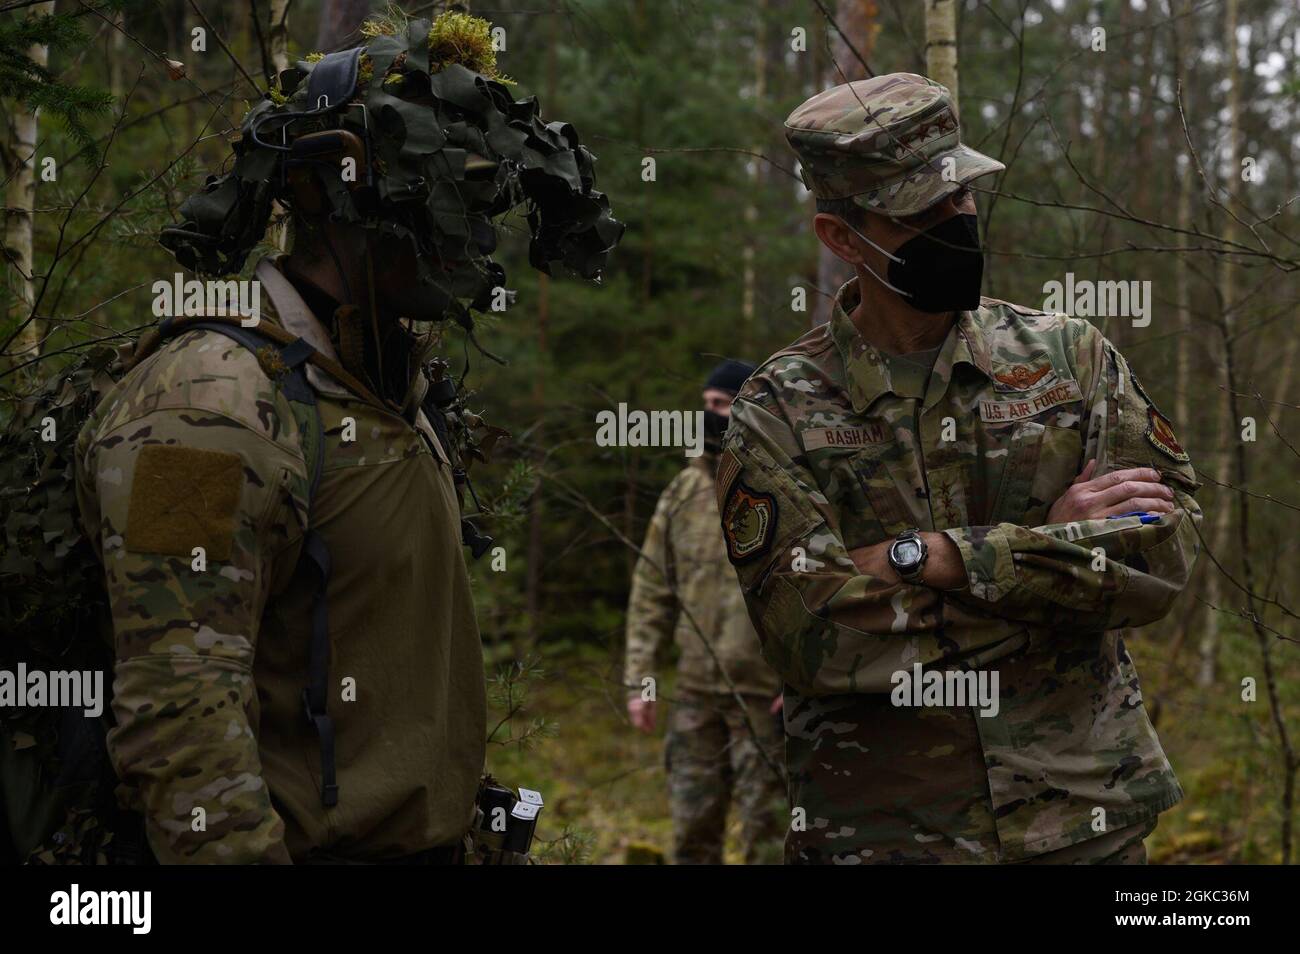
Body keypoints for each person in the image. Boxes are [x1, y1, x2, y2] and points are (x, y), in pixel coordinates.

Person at [73, 11, 619, 864]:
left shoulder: (391, 387)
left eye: (486, 207)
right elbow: (179, 723)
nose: (477, 241)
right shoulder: (206, 410)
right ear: (332, 192)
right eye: (449, 199)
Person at [717, 73, 1203, 865]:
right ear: (843, 238)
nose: (954, 222)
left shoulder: (1068, 359)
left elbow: (1161, 560)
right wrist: (1049, 558)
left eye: (960, 199)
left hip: (1084, 818)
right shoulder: (778, 409)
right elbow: (816, 640)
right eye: (920, 212)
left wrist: (939, 559)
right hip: (885, 833)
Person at [625, 360, 785, 864]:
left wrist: (797, 679)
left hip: (763, 697)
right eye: (705, 405)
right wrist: (639, 680)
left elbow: (813, 593)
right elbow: (652, 588)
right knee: (693, 830)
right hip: (694, 695)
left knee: (769, 835)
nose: (708, 415)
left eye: (720, 406)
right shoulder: (683, 491)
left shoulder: (779, 488)